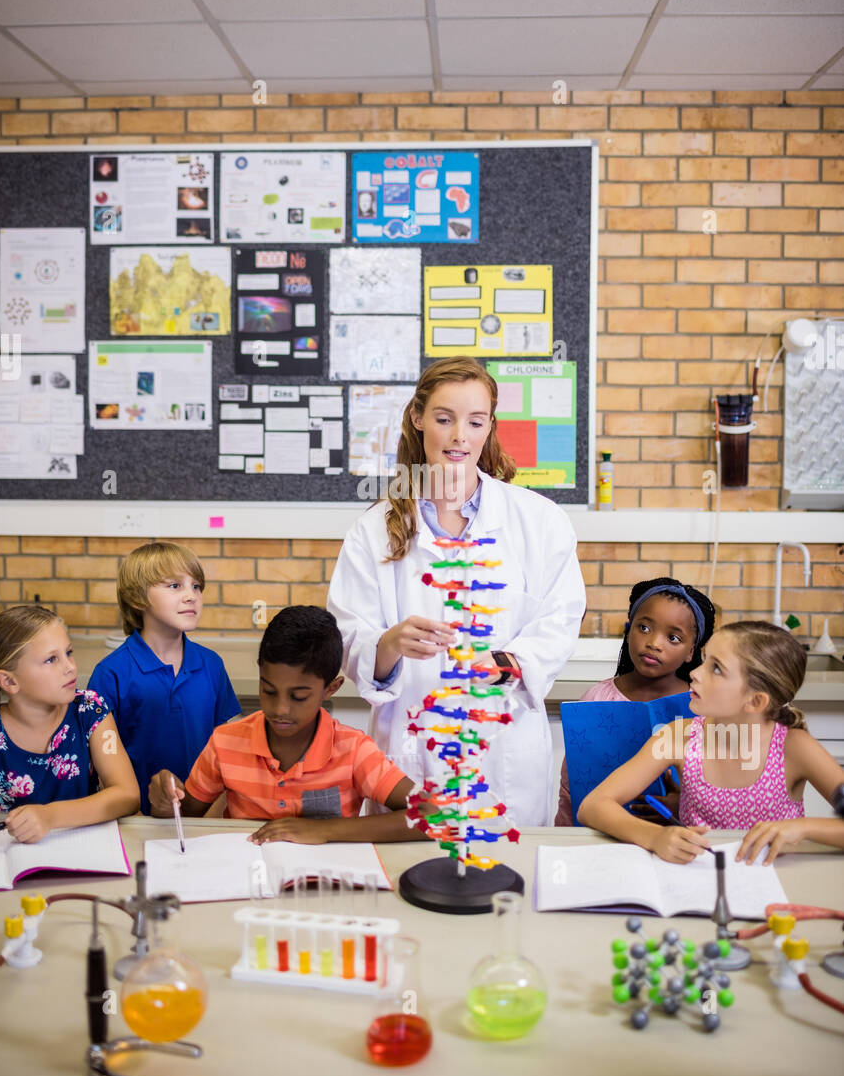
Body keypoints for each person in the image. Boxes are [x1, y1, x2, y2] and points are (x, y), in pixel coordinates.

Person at [327, 357, 586, 826]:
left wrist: (506, 665)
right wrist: (387, 645)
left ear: (490, 426)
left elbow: (561, 617)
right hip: (411, 749)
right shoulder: (373, 531)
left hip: (503, 748)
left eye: (475, 421)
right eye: (444, 419)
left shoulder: (539, 521)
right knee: (407, 884)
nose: (459, 436)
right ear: (418, 418)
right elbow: (346, 634)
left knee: (506, 884)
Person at [148, 606, 429, 846]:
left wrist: (323, 830)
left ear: (331, 688)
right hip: (244, 880)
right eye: (268, 690)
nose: (280, 709)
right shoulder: (225, 743)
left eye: (299, 697)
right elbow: (184, 819)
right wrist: (165, 803)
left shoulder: (353, 750)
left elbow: (433, 816)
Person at [578, 620, 844, 863]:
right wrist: (653, 837)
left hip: (776, 883)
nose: (695, 673)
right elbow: (593, 806)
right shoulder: (677, 737)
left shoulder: (793, 747)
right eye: (704, 660)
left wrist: (804, 827)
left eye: (716, 668)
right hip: (699, 877)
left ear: (755, 701)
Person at [88, 541, 239, 813]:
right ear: (137, 597)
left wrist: (211, 817)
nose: (191, 595)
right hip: (135, 819)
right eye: (174, 586)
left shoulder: (212, 665)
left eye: (196, 586)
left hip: (201, 818)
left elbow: (226, 751)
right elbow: (101, 765)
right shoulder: (110, 673)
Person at [555, 576, 715, 824]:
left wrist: (683, 806)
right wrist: (565, 835)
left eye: (673, 638)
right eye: (644, 628)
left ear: (691, 652)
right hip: (598, 835)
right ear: (628, 631)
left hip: (678, 843)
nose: (653, 643)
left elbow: (725, 792)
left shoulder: (704, 708)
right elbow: (570, 785)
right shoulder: (596, 699)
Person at [0, 604, 139, 841]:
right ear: (9, 681)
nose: (70, 667)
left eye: (69, 653)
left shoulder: (90, 709)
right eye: (51, 659)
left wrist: (49, 816)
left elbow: (127, 794)